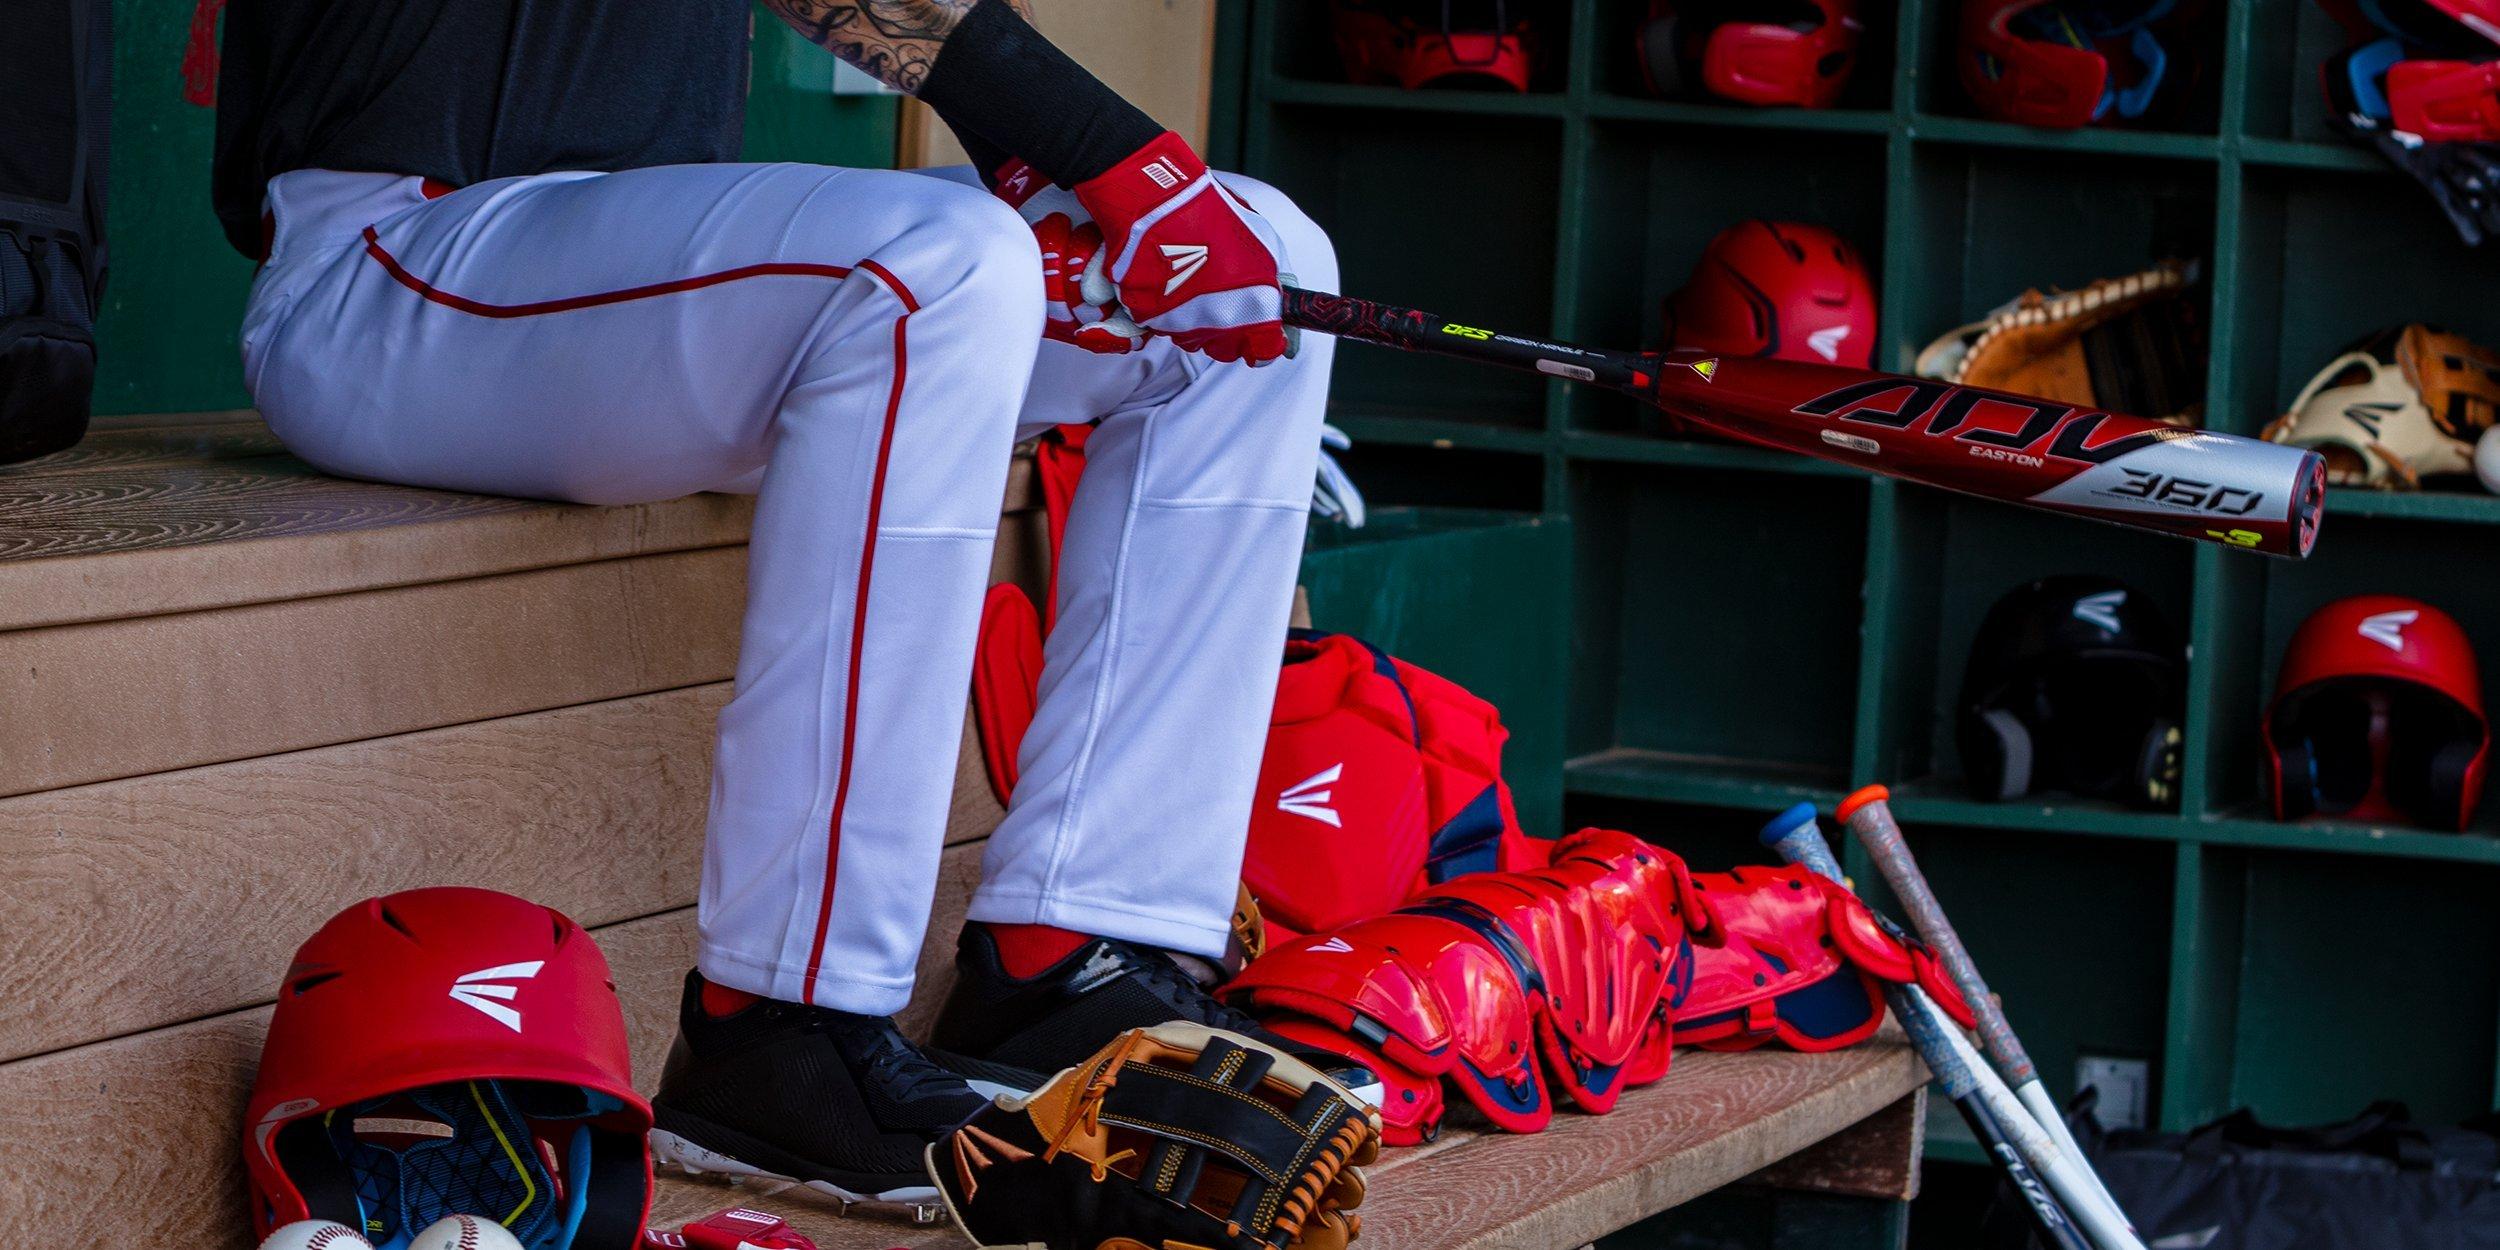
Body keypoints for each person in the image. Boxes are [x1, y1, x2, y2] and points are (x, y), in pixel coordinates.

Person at [214, 0, 1363, 1209]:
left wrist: (1035, 166)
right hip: (392, 266)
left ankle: (1073, 953)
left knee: (1262, 268)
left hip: (658, 287)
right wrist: (1075, 135)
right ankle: (778, 1026)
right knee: (938, 264)